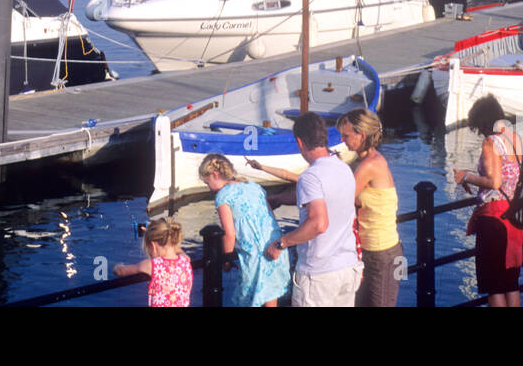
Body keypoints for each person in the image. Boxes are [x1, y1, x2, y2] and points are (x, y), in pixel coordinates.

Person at [262, 112, 363, 307]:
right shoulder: (343, 168)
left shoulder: (311, 176)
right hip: (347, 267)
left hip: (319, 275)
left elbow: (318, 223)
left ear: (300, 142)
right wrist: (281, 199)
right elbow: (325, 198)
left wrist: (281, 243)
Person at [452, 95, 523, 307]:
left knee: (494, 286)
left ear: (482, 123)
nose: (479, 132)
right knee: (511, 283)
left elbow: (495, 181)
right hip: (517, 219)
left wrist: (467, 177)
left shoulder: (491, 142)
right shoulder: (518, 140)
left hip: (495, 220)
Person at [197, 153, 290, 307]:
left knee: (248, 300)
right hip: (275, 247)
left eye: (207, 182)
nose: (208, 187)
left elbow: (229, 234)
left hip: (255, 256)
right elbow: (271, 216)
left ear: (215, 174)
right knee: (270, 297)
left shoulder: (223, 196)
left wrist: (225, 259)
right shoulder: (254, 186)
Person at [338, 108, 402, 307]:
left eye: (346, 135)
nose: (343, 140)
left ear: (362, 135)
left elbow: (341, 199)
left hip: (382, 253)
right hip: (376, 251)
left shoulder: (370, 166)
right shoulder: (367, 161)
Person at [113, 217, 191, 307]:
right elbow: (179, 251)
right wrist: (161, 234)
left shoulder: (153, 265)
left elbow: (120, 271)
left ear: (153, 246)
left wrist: (117, 266)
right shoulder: (185, 260)